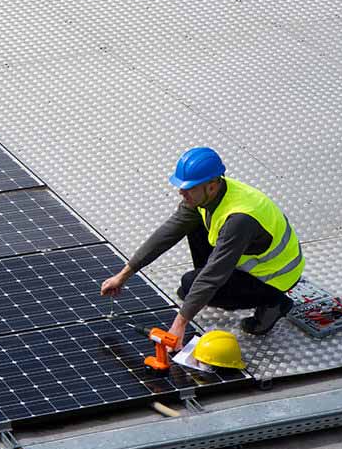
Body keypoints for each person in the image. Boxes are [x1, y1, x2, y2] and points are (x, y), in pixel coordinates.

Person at [101, 147, 303, 348]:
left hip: (273, 278)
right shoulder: (210, 195)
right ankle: (199, 293)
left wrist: (179, 325)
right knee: (192, 225)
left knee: (191, 283)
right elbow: (168, 232)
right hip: (245, 258)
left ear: (212, 185)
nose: (181, 192)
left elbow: (214, 273)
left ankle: (274, 304)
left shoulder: (239, 219)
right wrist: (124, 274)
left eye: (188, 188)